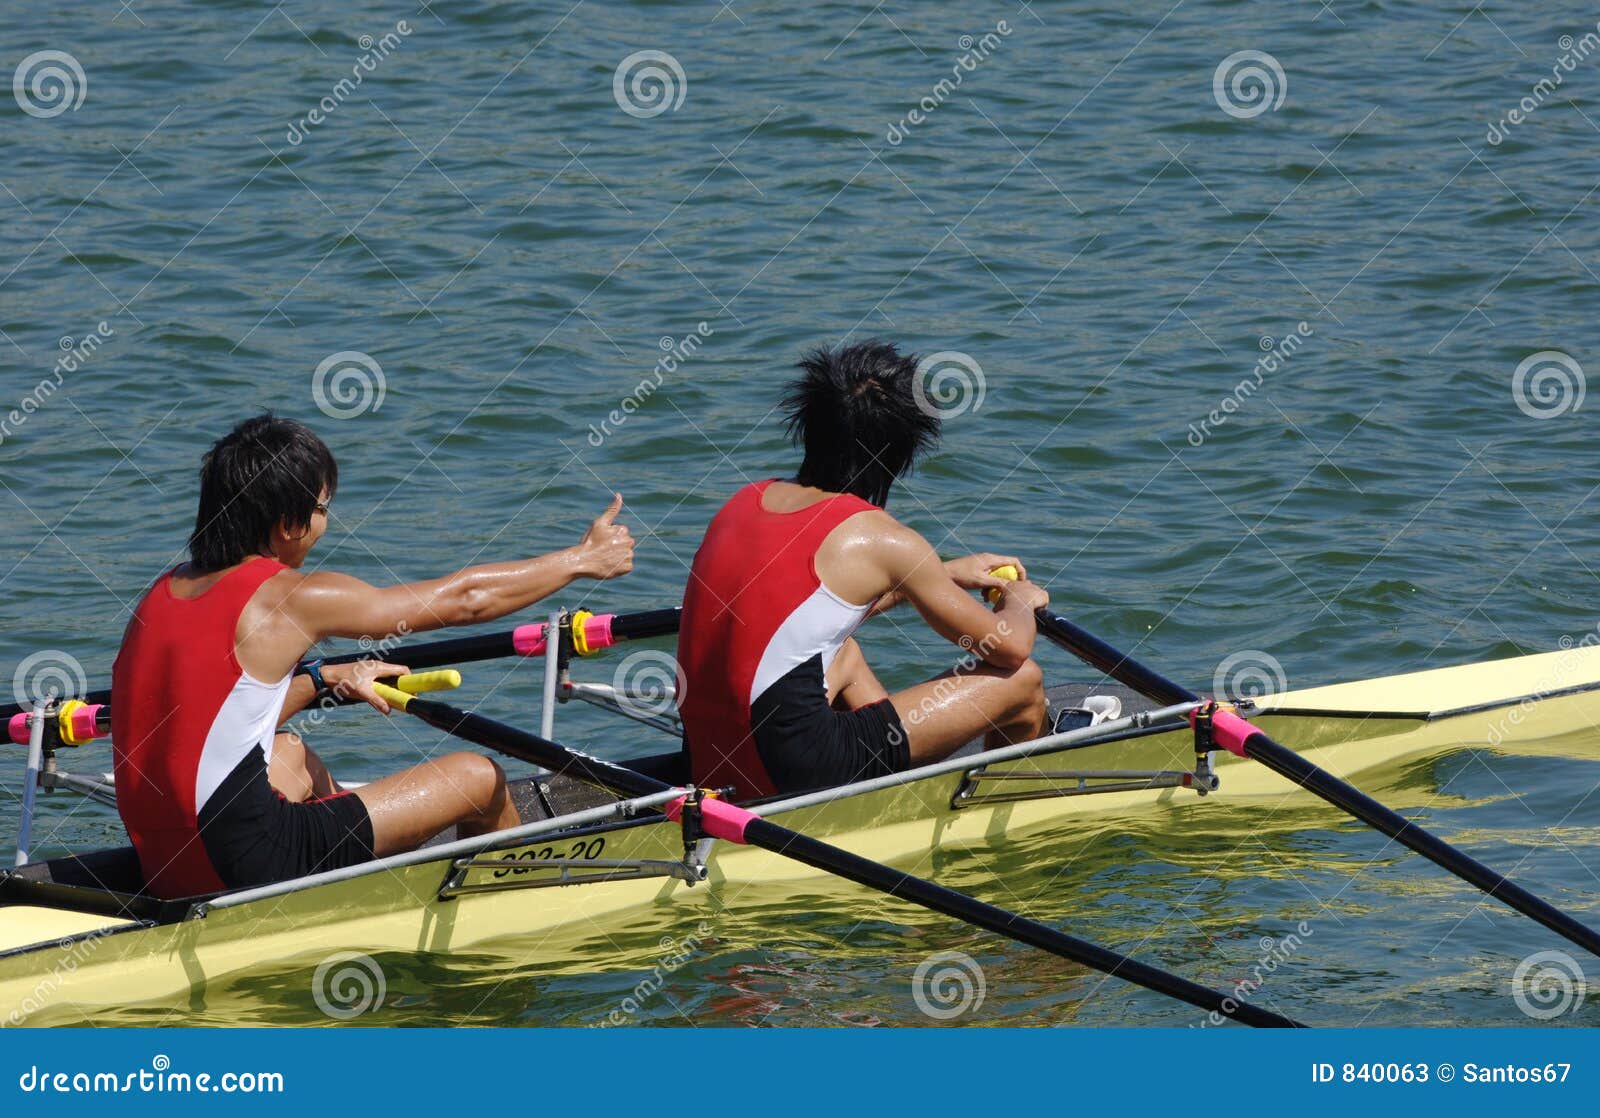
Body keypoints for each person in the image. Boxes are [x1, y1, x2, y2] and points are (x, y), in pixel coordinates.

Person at [111, 414, 634, 899]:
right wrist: (582, 560)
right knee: (479, 777)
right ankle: (521, 909)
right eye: (321, 509)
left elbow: (202, 721)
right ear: (288, 525)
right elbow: (465, 600)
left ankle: (353, 882)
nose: (323, 525)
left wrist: (322, 680)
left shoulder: (163, 592)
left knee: (290, 752)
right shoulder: (290, 597)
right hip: (242, 860)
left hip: (164, 863)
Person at [675, 341, 1051, 800]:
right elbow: (1007, 647)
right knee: (1023, 682)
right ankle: (995, 809)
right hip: (789, 770)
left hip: (709, 756)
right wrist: (1019, 600)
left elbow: (799, 615)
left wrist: (941, 575)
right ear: (901, 451)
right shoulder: (884, 539)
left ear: (808, 424)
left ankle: (890, 786)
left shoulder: (742, 502)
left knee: (844, 652)